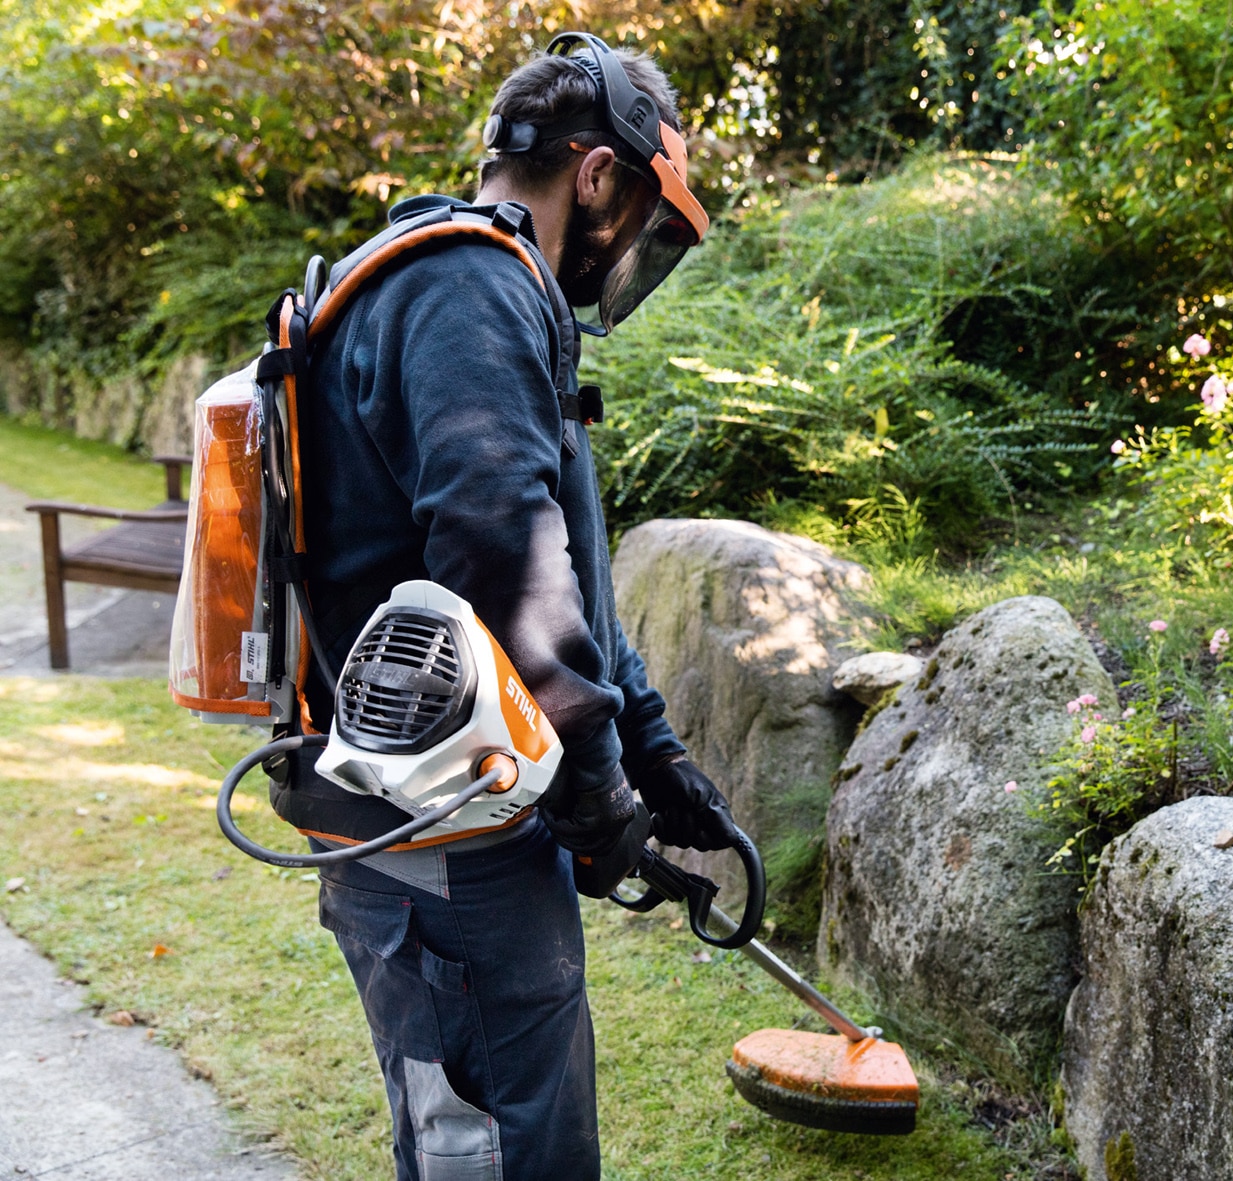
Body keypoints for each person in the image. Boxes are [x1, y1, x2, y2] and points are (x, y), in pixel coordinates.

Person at [268, 36, 738, 1181]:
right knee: (489, 1144)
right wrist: (590, 784)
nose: (633, 247)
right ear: (596, 177)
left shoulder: (466, 277)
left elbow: (558, 554)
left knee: (505, 1122)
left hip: (456, 802)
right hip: (438, 827)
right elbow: (494, 559)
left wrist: (656, 758)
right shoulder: (465, 289)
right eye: (642, 210)